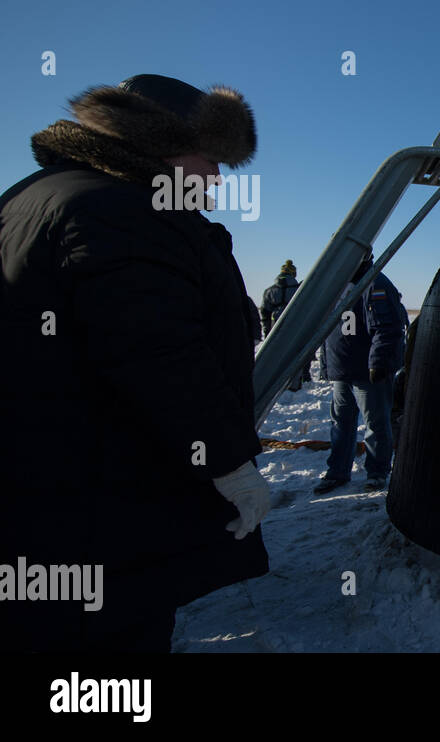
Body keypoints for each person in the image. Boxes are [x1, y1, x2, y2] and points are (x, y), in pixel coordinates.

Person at [0, 74, 272, 651]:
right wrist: (229, 463)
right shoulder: (121, 211)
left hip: (42, 492)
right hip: (100, 507)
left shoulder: (35, 197)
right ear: (161, 144)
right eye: (211, 160)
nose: (217, 180)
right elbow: (157, 353)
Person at [315, 256, 408, 494]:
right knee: (340, 423)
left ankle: (377, 472)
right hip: (342, 370)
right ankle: (337, 471)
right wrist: (327, 364)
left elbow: (388, 327)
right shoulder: (337, 286)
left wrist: (378, 363)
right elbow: (328, 329)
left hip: (368, 374)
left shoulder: (376, 284)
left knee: (375, 424)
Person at [261, 259, 312, 390]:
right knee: (298, 352)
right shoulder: (300, 289)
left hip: (275, 326)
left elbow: (264, 312)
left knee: (275, 356)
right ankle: (301, 379)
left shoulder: (269, 291)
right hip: (296, 326)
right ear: (293, 274)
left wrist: (267, 330)